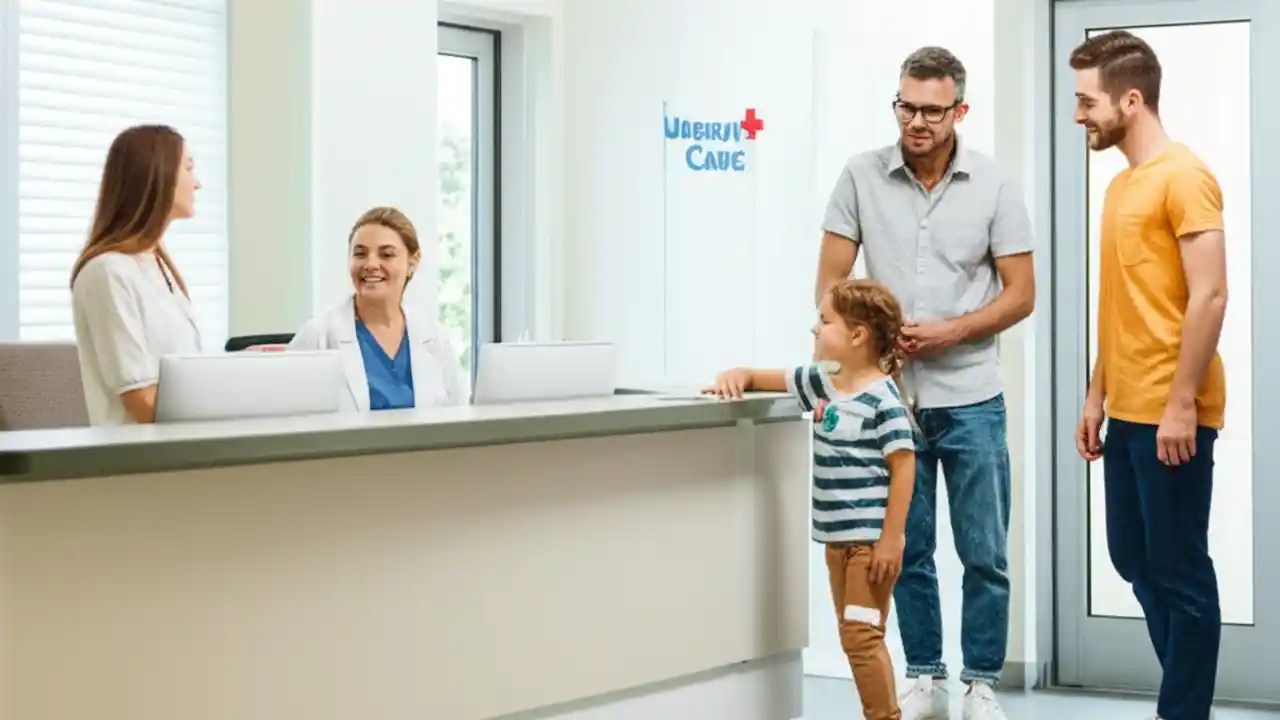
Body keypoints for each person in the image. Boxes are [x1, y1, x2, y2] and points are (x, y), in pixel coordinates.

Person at [815, 47, 1035, 720]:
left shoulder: (995, 185)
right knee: (903, 549)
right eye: (905, 106)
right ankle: (924, 672)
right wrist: (862, 356)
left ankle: (980, 682)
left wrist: (950, 331)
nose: (916, 121)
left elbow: (1021, 294)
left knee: (984, 552)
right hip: (892, 403)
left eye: (931, 110)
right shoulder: (858, 176)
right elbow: (829, 288)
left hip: (972, 395)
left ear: (958, 110)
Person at [1070, 30, 1227, 720]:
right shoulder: (1119, 188)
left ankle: (1181, 711)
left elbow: (1211, 294)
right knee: (1134, 561)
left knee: (1181, 573)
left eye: (1086, 101)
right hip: (1127, 407)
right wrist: (1095, 395)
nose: (1079, 115)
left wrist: (1182, 403)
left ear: (1130, 100)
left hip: (1174, 410)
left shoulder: (1184, 176)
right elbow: (1119, 304)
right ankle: (1182, 697)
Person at [706, 279, 915, 720]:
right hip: (837, 545)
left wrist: (891, 540)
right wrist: (737, 375)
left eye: (825, 321)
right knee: (853, 633)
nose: (815, 330)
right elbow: (765, 378)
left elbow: (903, 467)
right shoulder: (822, 383)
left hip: (870, 546)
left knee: (862, 635)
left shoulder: (884, 400)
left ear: (858, 334)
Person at [70, 124, 203, 426]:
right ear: (159, 177)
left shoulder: (157, 266)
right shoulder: (108, 273)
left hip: (180, 449)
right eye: (189, 168)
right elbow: (141, 403)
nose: (197, 184)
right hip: (136, 464)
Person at [288, 207, 467, 410]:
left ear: (413, 262)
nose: (371, 264)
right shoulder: (319, 335)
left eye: (386, 255)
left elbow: (460, 414)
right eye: (360, 254)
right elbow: (282, 412)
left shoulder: (434, 338)